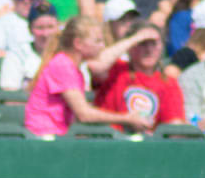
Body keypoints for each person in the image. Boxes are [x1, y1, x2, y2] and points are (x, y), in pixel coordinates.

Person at [24, 17, 157, 136]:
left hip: (57, 135)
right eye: (97, 41)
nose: (102, 46)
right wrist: (127, 118)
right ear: (78, 44)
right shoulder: (62, 66)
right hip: (43, 137)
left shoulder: (73, 68)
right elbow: (84, 114)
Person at [94, 23, 185, 132]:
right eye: (143, 44)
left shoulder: (168, 83)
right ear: (130, 47)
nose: (149, 50)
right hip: (108, 140)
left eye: (154, 44)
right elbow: (97, 65)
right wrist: (135, 38)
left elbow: (174, 126)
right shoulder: (116, 70)